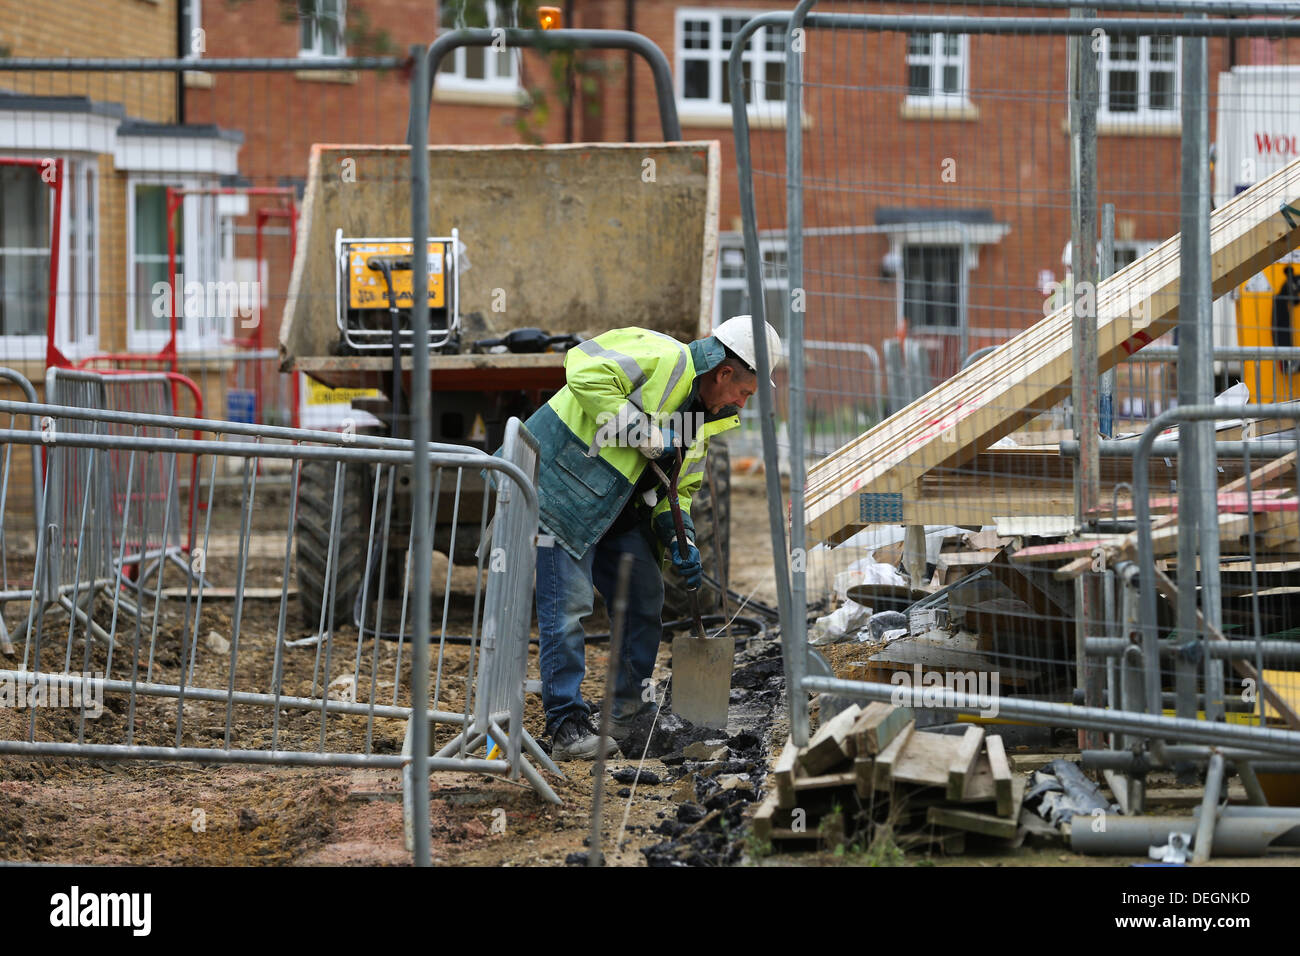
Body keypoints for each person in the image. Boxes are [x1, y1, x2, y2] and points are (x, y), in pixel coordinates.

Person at [525, 315, 783, 759]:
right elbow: (583, 368)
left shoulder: (704, 423)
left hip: (615, 510)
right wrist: (642, 431)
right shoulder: (664, 355)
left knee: (645, 599)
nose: (742, 403)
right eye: (744, 392)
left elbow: (678, 490)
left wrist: (680, 536)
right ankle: (566, 724)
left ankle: (624, 718)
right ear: (724, 373)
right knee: (568, 606)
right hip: (561, 491)